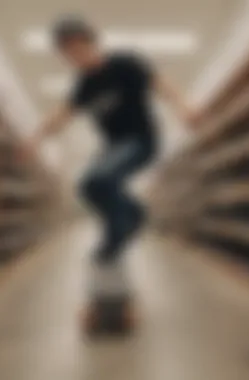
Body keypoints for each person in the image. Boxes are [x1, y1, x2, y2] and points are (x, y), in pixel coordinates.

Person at [26, 16, 198, 296]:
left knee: (100, 179)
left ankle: (112, 244)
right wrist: (34, 140)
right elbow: (62, 115)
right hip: (113, 147)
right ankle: (134, 215)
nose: (74, 57)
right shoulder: (84, 85)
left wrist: (184, 108)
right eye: (67, 54)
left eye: (78, 49)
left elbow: (161, 84)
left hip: (142, 141)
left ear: (91, 43)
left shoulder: (124, 64)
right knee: (87, 185)